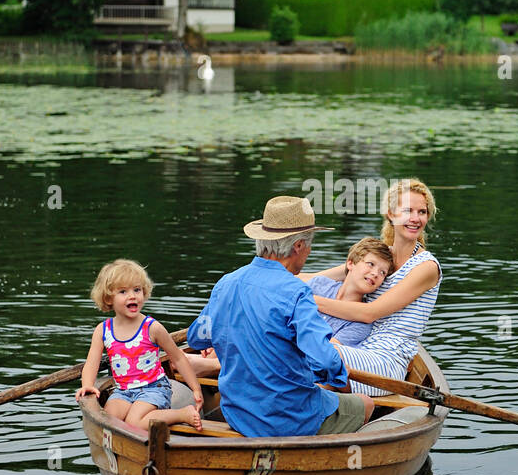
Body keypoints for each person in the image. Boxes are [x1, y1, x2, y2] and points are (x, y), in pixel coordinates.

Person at [186, 196, 374, 437]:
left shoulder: (227, 283)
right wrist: (337, 374)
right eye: (309, 244)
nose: (310, 250)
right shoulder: (297, 292)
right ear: (297, 246)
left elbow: (196, 339)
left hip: (239, 413)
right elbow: (325, 361)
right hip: (290, 418)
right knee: (366, 403)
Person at [303, 178, 442, 396]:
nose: (415, 218)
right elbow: (315, 277)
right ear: (391, 213)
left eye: (422, 212)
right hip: (358, 347)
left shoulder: (426, 267)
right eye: (408, 211)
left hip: (388, 360)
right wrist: (271, 278)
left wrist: (308, 299)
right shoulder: (379, 257)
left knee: (323, 352)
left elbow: (369, 313)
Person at [76, 259, 204, 431]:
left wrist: (196, 389)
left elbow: (178, 358)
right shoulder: (103, 330)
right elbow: (92, 362)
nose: (132, 296)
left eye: (137, 290)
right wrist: (87, 385)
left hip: (154, 389)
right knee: (107, 420)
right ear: (108, 298)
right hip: (122, 391)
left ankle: (182, 414)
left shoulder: (152, 328)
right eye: (123, 291)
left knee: (134, 423)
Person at [310, 237, 393, 346]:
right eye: (371, 264)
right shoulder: (318, 284)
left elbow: (325, 351)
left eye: (383, 272)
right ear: (351, 263)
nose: (375, 273)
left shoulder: (361, 324)